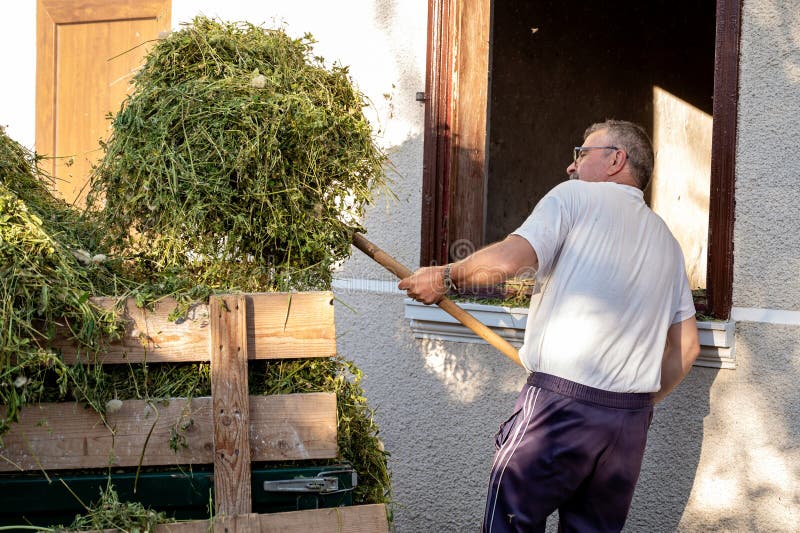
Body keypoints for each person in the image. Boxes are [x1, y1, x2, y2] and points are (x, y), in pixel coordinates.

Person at [398, 119, 701, 532]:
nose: (570, 167)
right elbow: (687, 349)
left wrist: (445, 277)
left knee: (510, 525)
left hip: (561, 408)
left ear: (616, 159)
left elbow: (507, 261)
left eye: (581, 153)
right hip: (628, 426)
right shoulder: (666, 240)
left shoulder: (575, 198)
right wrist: (635, 405)